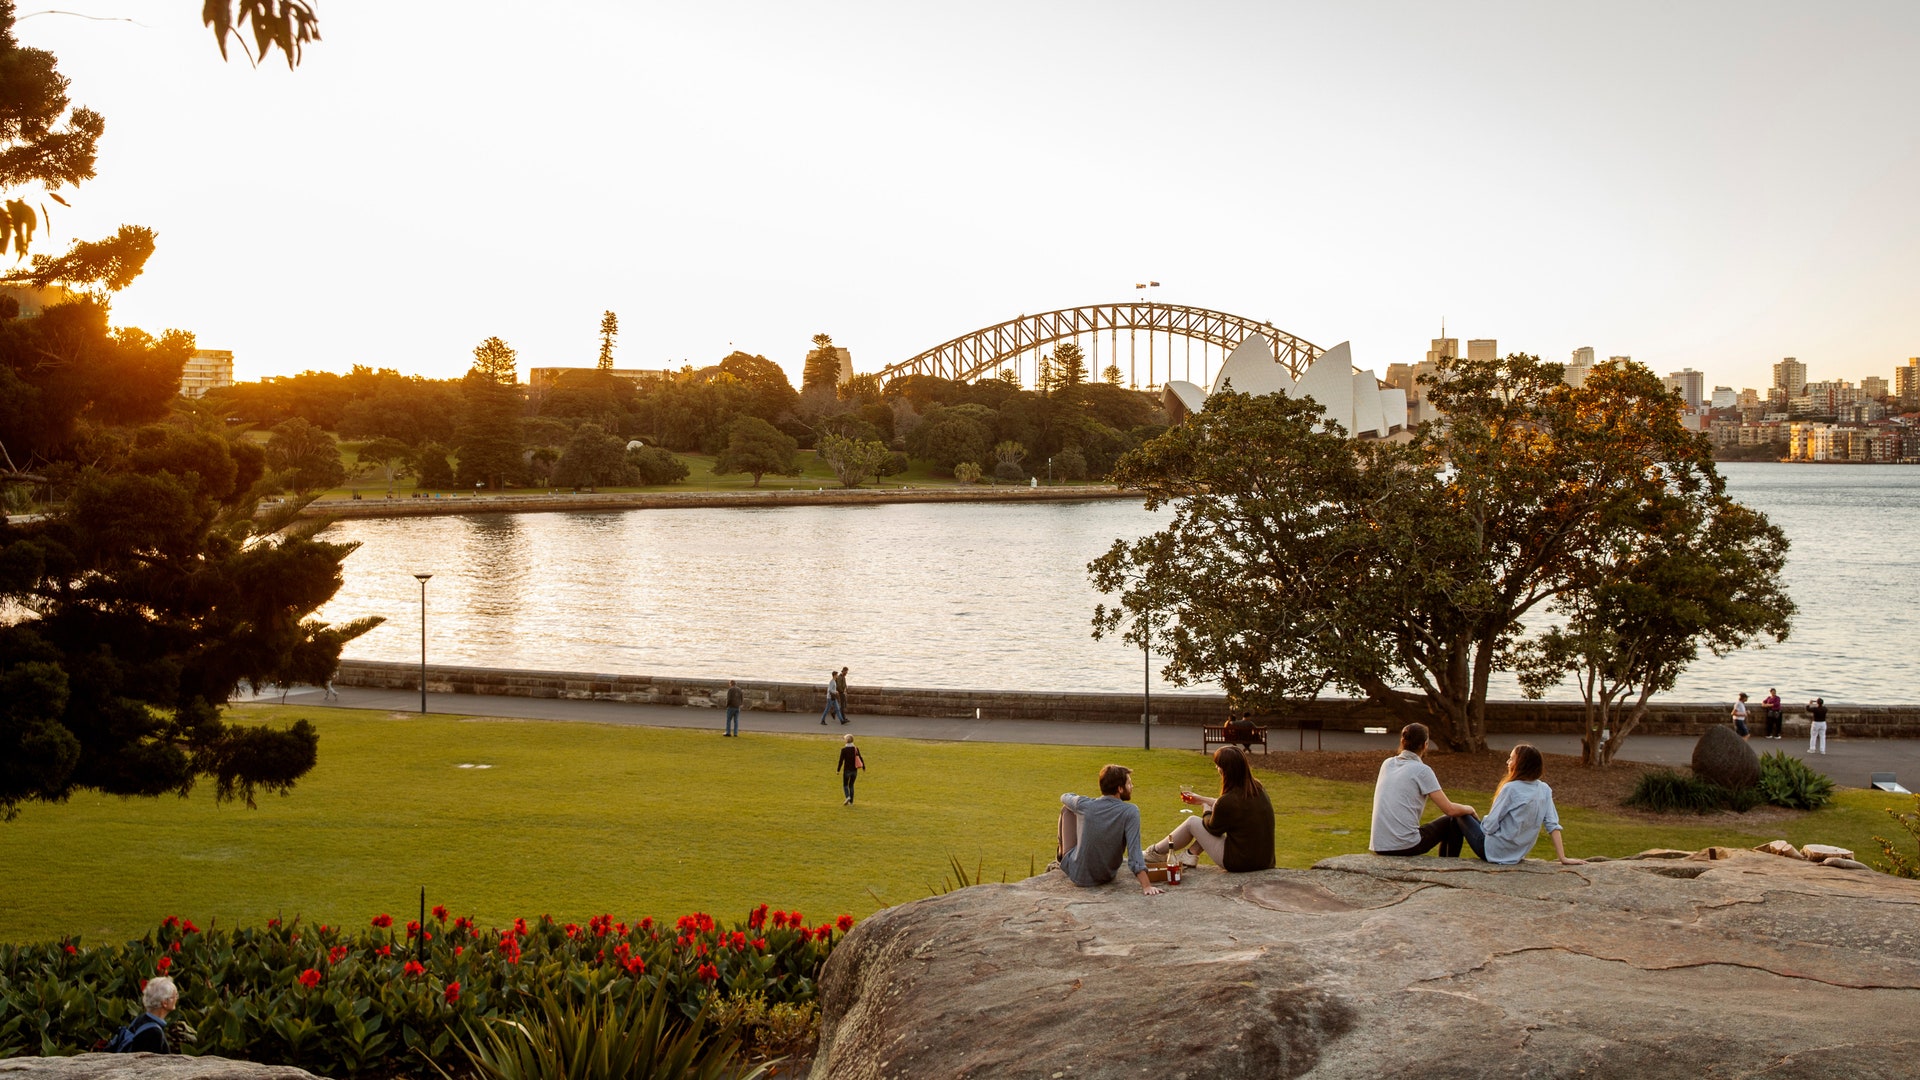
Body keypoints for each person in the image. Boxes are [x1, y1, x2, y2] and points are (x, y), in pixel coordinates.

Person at [1145, 745, 1275, 872]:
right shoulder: (1257, 788)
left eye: (1219, 765)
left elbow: (1212, 828)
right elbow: (1228, 807)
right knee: (1214, 820)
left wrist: (1206, 809)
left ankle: (1155, 852)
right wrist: (1202, 799)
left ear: (1225, 770)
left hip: (1240, 862)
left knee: (1192, 822)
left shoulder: (1228, 801)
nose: (1217, 768)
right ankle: (1190, 854)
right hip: (1264, 860)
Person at [1462, 744, 1586, 866]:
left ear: (1521, 764)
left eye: (1511, 759)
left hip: (1493, 850)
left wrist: (1473, 816)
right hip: (1516, 854)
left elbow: (1490, 826)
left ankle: (1445, 861)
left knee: (1459, 816)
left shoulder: (1510, 789)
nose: (1507, 762)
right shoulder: (1544, 789)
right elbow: (1553, 825)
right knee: (1451, 820)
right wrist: (1563, 858)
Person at [1369, 723, 1478, 857]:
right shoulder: (1422, 771)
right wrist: (1470, 809)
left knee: (1447, 821)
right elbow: (1450, 810)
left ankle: (1447, 865)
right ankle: (1449, 866)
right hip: (1404, 845)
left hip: (1379, 845)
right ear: (1425, 745)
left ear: (1403, 741)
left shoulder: (1387, 764)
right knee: (1453, 820)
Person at [1054, 764, 1163, 896]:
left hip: (1077, 875)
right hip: (1106, 875)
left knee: (1067, 809)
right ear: (1120, 789)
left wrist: (1085, 803)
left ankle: (1062, 853)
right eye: (1130, 783)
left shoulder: (1085, 804)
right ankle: (1063, 853)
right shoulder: (1130, 811)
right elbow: (1135, 853)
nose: (1132, 786)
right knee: (1070, 809)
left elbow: (1064, 796)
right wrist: (1146, 886)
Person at [117, 976, 177, 1053]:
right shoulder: (153, 1033)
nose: (176, 998)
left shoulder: (140, 1019)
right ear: (164, 1002)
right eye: (174, 996)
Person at [836, 734, 864, 804]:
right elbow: (860, 757)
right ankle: (851, 802)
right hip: (854, 770)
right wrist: (863, 766)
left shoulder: (844, 750)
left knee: (845, 785)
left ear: (846, 741)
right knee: (851, 785)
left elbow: (841, 761)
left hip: (847, 770)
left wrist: (838, 770)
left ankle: (847, 796)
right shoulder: (855, 749)